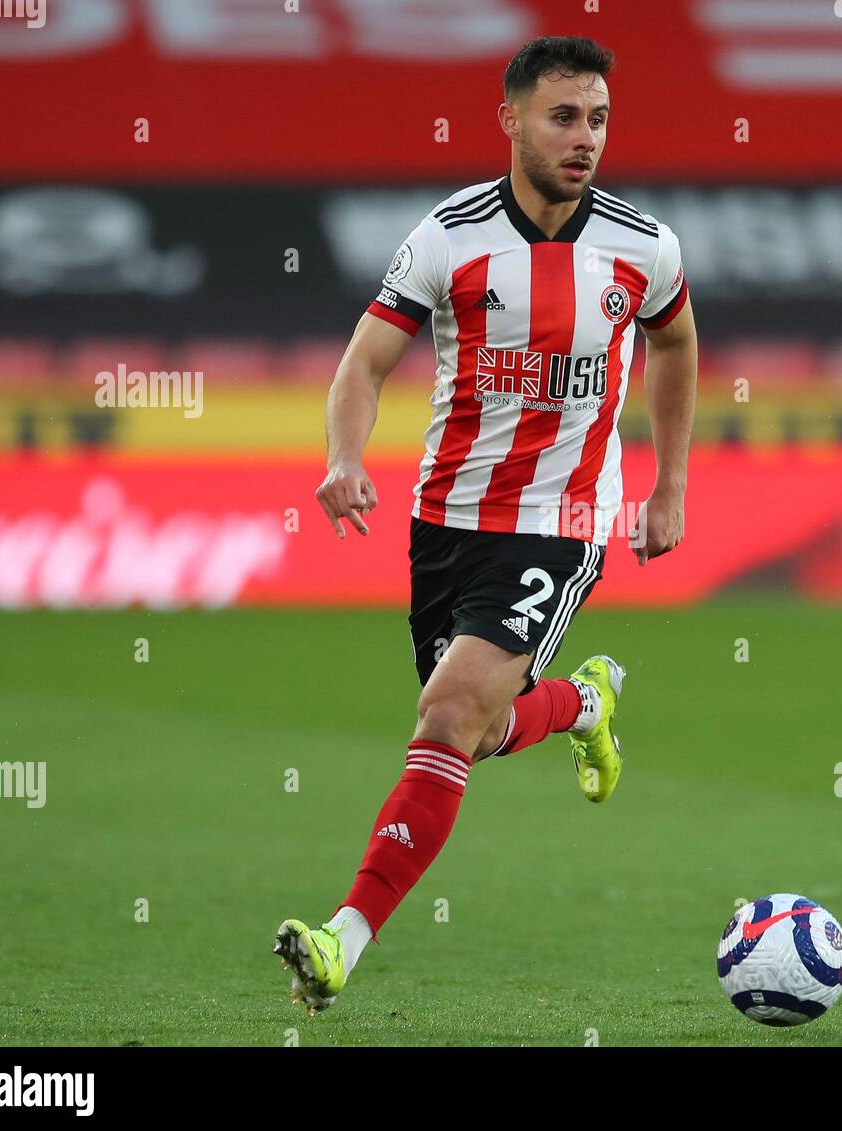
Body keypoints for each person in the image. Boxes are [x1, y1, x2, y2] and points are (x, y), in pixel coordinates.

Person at [274, 35, 697, 1014]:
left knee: (446, 713)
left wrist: (669, 484)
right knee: (476, 726)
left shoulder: (643, 246)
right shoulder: (447, 237)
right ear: (510, 119)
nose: (583, 137)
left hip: (562, 519)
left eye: (596, 117)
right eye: (562, 116)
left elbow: (674, 340)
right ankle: (584, 705)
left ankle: (341, 941)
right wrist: (344, 457)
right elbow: (363, 366)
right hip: (445, 518)